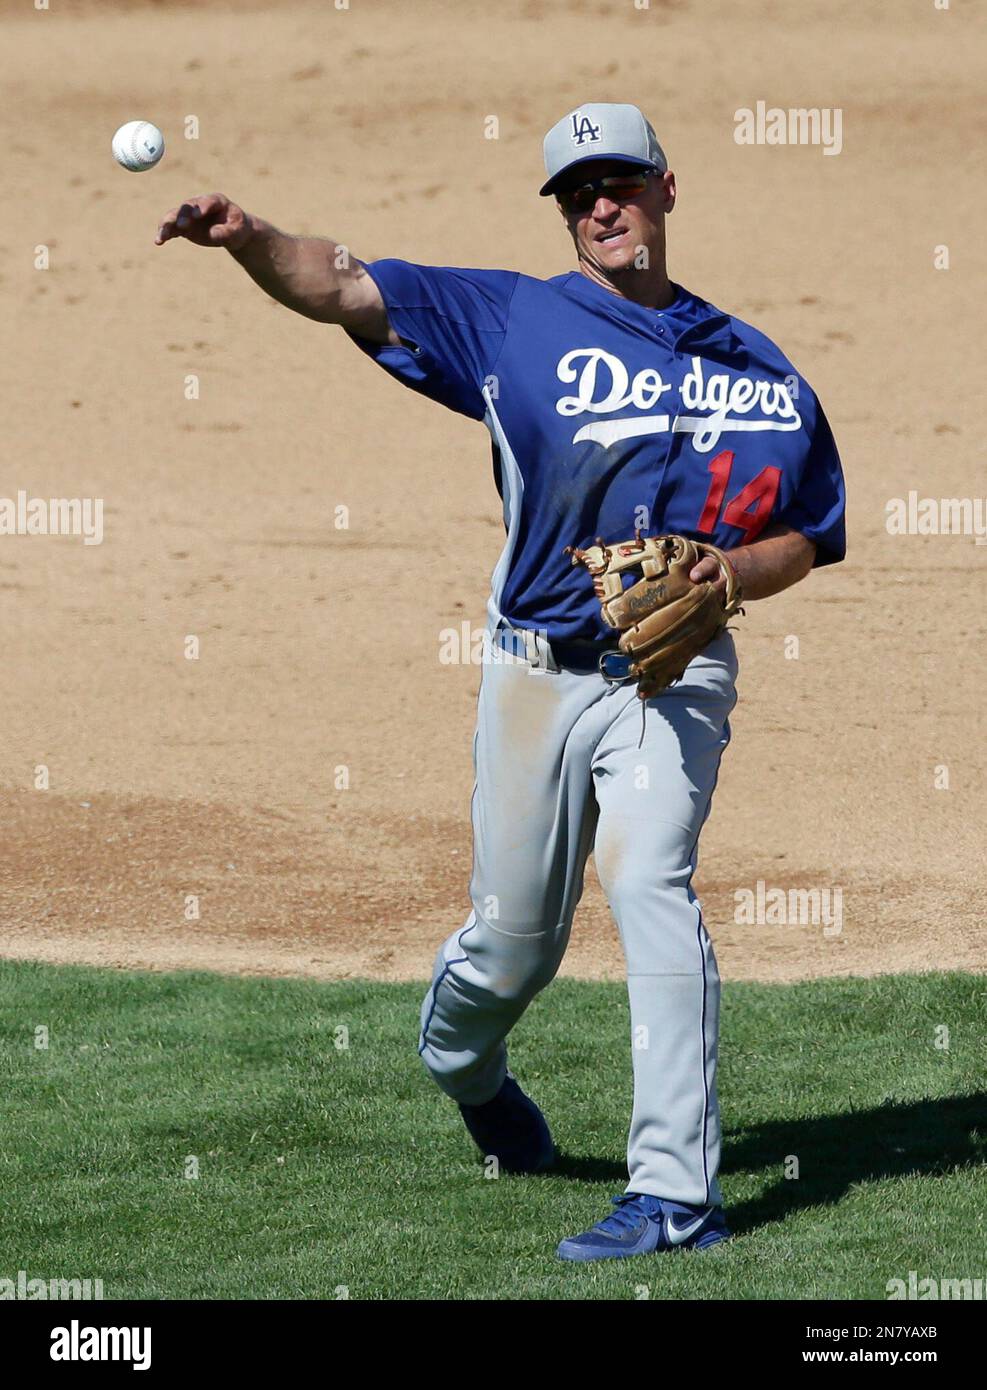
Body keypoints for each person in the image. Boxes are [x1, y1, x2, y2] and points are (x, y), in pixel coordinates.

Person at [156, 101, 846, 1261]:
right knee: (514, 944)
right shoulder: (511, 316)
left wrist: (728, 574)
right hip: (534, 670)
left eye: (620, 183)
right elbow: (345, 285)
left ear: (667, 190)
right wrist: (249, 236)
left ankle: (675, 1193)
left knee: (647, 883)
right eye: (579, 195)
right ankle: (467, 1067)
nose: (602, 208)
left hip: (669, 674)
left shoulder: (755, 366)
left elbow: (812, 531)